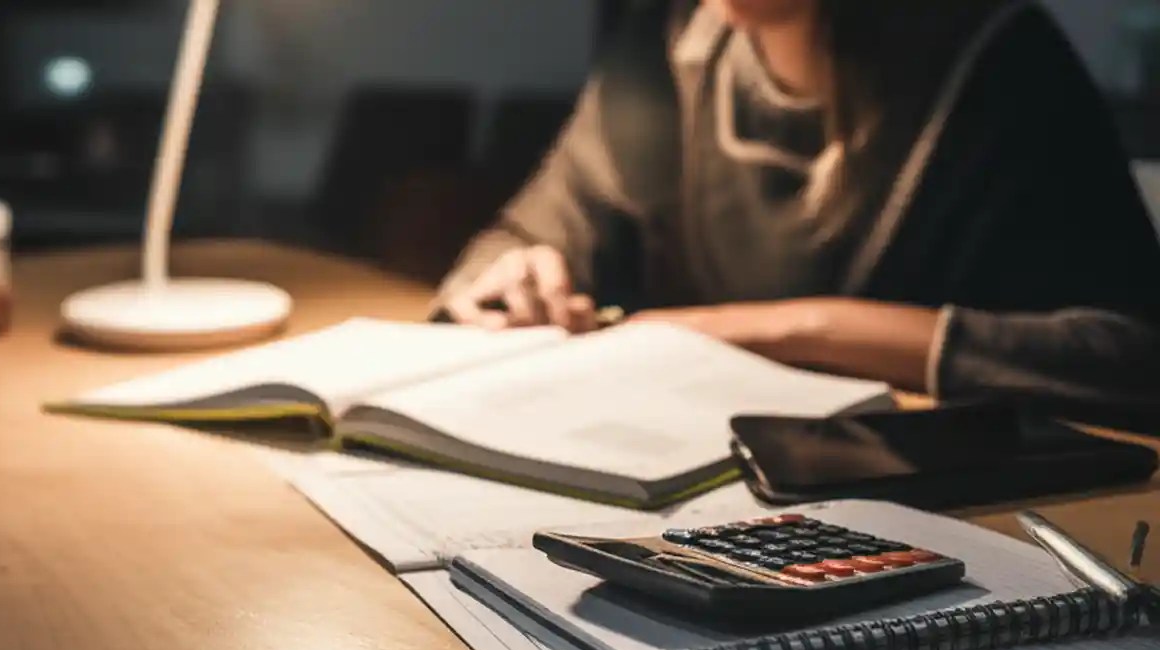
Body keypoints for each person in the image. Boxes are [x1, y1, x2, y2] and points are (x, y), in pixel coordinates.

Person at [434, 0, 1160, 418]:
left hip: (952, 536)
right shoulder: (672, 42)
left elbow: (1131, 354)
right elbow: (529, 232)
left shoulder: (995, 63)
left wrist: (793, 330)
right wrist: (514, 271)